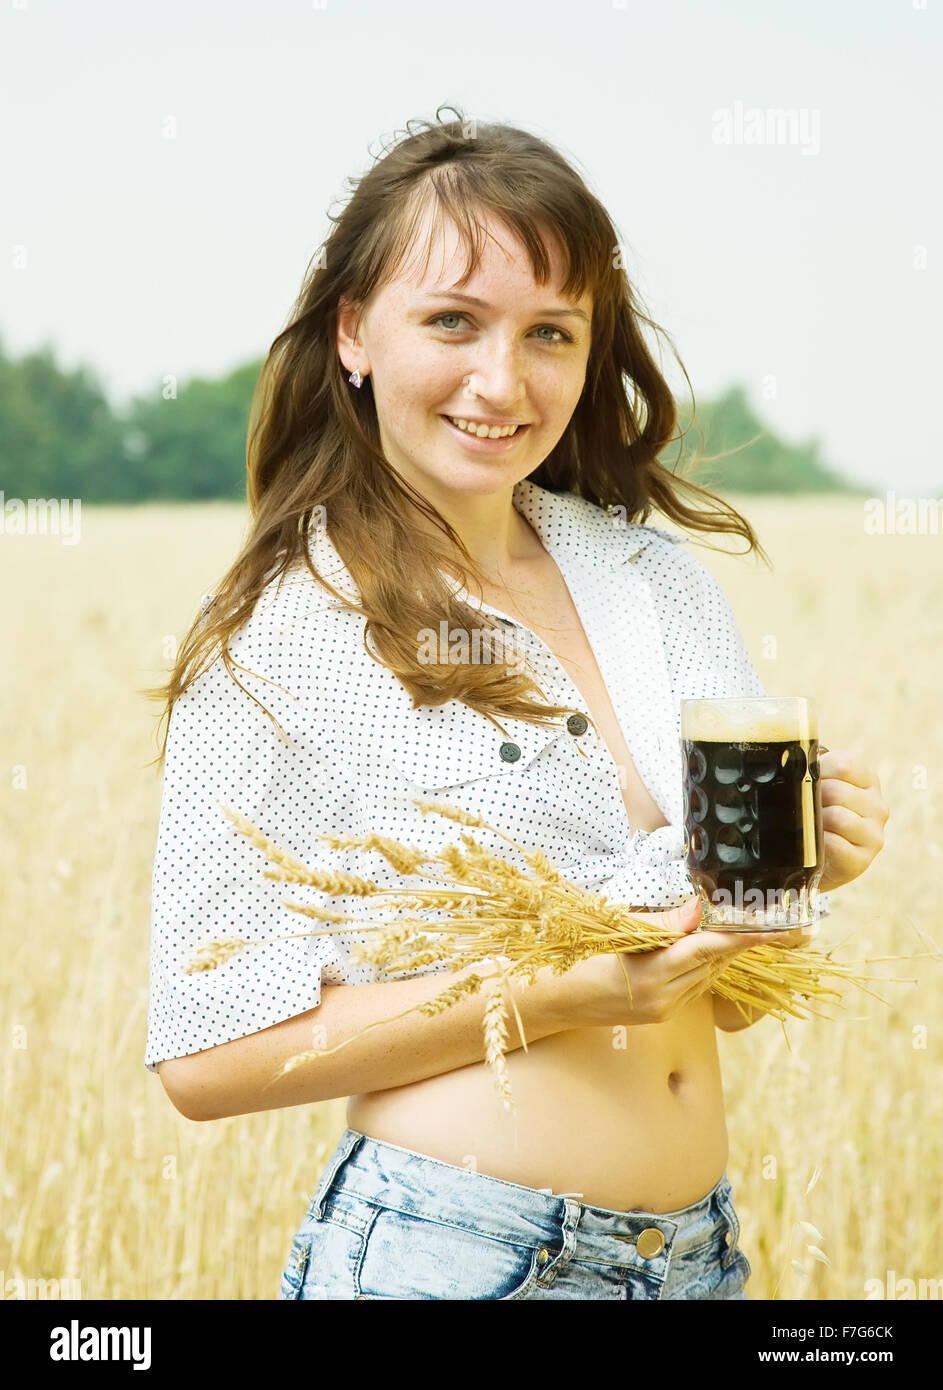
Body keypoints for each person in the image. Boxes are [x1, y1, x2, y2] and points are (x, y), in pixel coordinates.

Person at [144, 109, 889, 1301]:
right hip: (455, 1258)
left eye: (551, 331)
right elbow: (203, 1056)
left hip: (696, 1259)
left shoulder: (657, 588)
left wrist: (799, 872)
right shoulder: (286, 638)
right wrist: (555, 996)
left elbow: (726, 997)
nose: (503, 380)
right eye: (452, 321)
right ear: (354, 333)